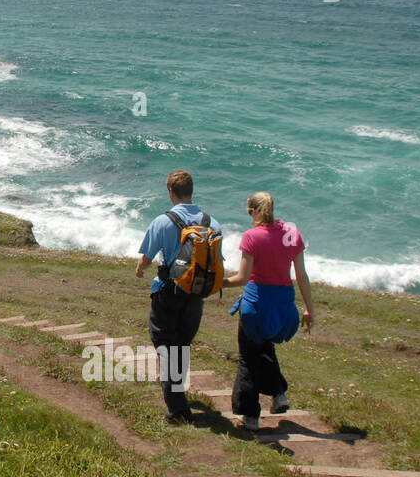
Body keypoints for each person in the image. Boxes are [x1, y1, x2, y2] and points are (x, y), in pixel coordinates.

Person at [221, 191, 315, 431]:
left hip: (257, 308)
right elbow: (302, 277)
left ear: (254, 211)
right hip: (284, 310)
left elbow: (242, 278)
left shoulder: (252, 236)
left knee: (248, 358)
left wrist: (219, 283)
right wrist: (308, 310)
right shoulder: (292, 235)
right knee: (265, 347)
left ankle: (250, 416)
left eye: (249, 213)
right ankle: (278, 394)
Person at [135, 170, 220, 424]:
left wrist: (140, 269)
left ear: (171, 191)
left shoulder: (163, 221)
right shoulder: (212, 222)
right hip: (196, 293)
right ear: (191, 190)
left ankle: (178, 410)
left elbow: (148, 256)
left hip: (167, 291)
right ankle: (177, 389)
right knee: (182, 342)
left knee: (163, 341)